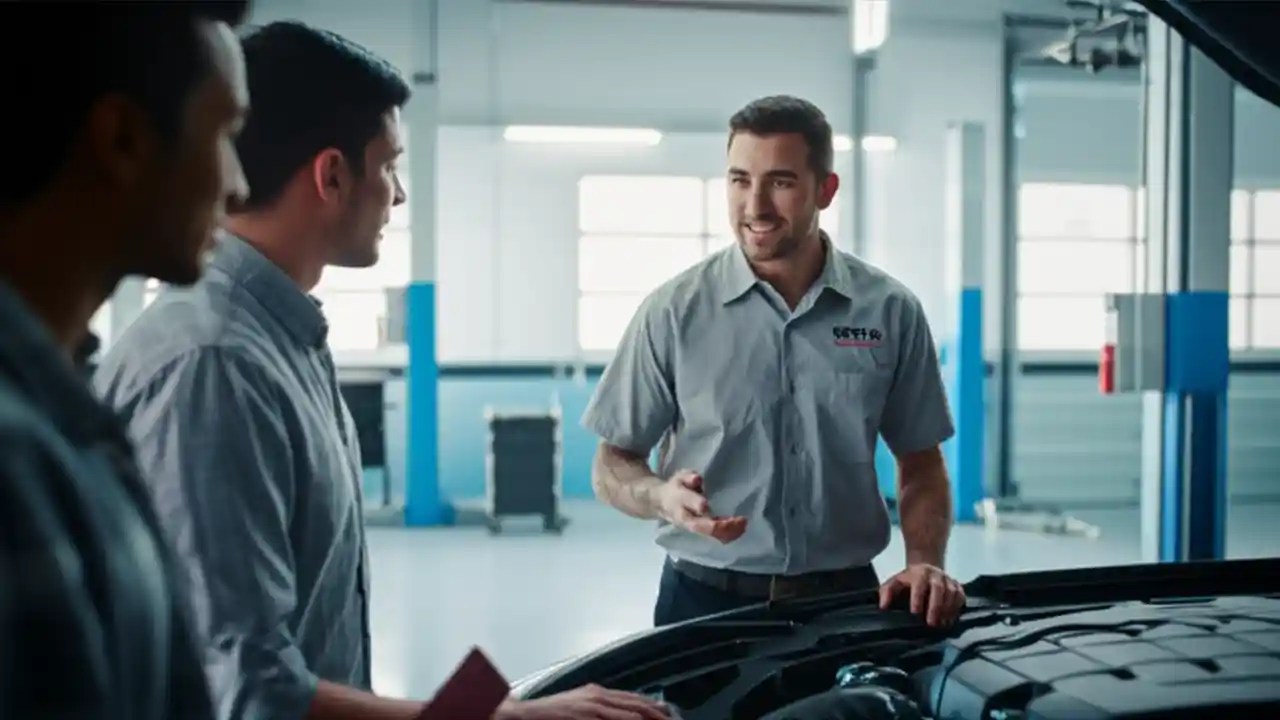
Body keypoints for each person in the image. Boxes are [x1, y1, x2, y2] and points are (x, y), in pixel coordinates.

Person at [94, 20, 669, 720]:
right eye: (391, 165)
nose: (398, 196)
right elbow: (247, 690)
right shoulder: (215, 365)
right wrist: (493, 719)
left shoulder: (282, 336)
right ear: (332, 175)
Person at [582, 95, 967, 629]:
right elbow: (612, 463)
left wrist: (924, 564)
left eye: (781, 182)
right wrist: (661, 497)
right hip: (701, 606)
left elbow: (921, 463)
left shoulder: (890, 311)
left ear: (825, 190)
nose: (755, 206)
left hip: (846, 603)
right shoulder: (674, 313)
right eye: (740, 180)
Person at [0, 2, 252, 718]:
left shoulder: (64, 420)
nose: (236, 183)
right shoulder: (15, 461)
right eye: (226, 132)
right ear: (122, 139)